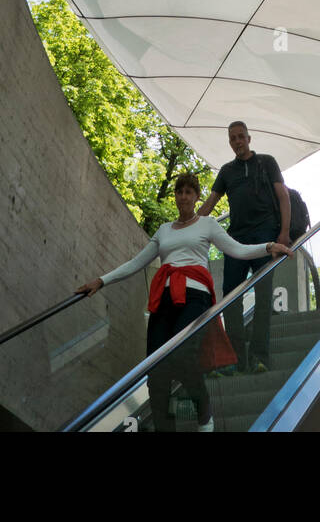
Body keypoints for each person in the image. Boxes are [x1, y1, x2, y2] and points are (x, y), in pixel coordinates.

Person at [77, 172, 291, 432]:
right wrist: (101, 280)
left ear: (197, 196)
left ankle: (204, 413)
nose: (184, 196)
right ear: (176, 197)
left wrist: (268, 246)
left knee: (182, 354)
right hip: (163, 300)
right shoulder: (164, 230)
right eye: (180, 192)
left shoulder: (208, 224)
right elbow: (136, 263)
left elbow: (236, 249)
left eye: (189, 192)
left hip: (195, 297)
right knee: (155, 370)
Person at [195, 121, 290, 373]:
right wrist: (189, 224)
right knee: (231, 298)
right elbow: (211, 203)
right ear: (230, 143)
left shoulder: (267, 162)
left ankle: (259, 357)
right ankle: (236, 358)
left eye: (241, 137)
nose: (237, 141)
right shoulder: (227, 171)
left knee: (263, 296)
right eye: (233, 138)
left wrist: (283, 234)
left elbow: (283, 196)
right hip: (236, 239)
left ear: (249, 138)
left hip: (265, 237)